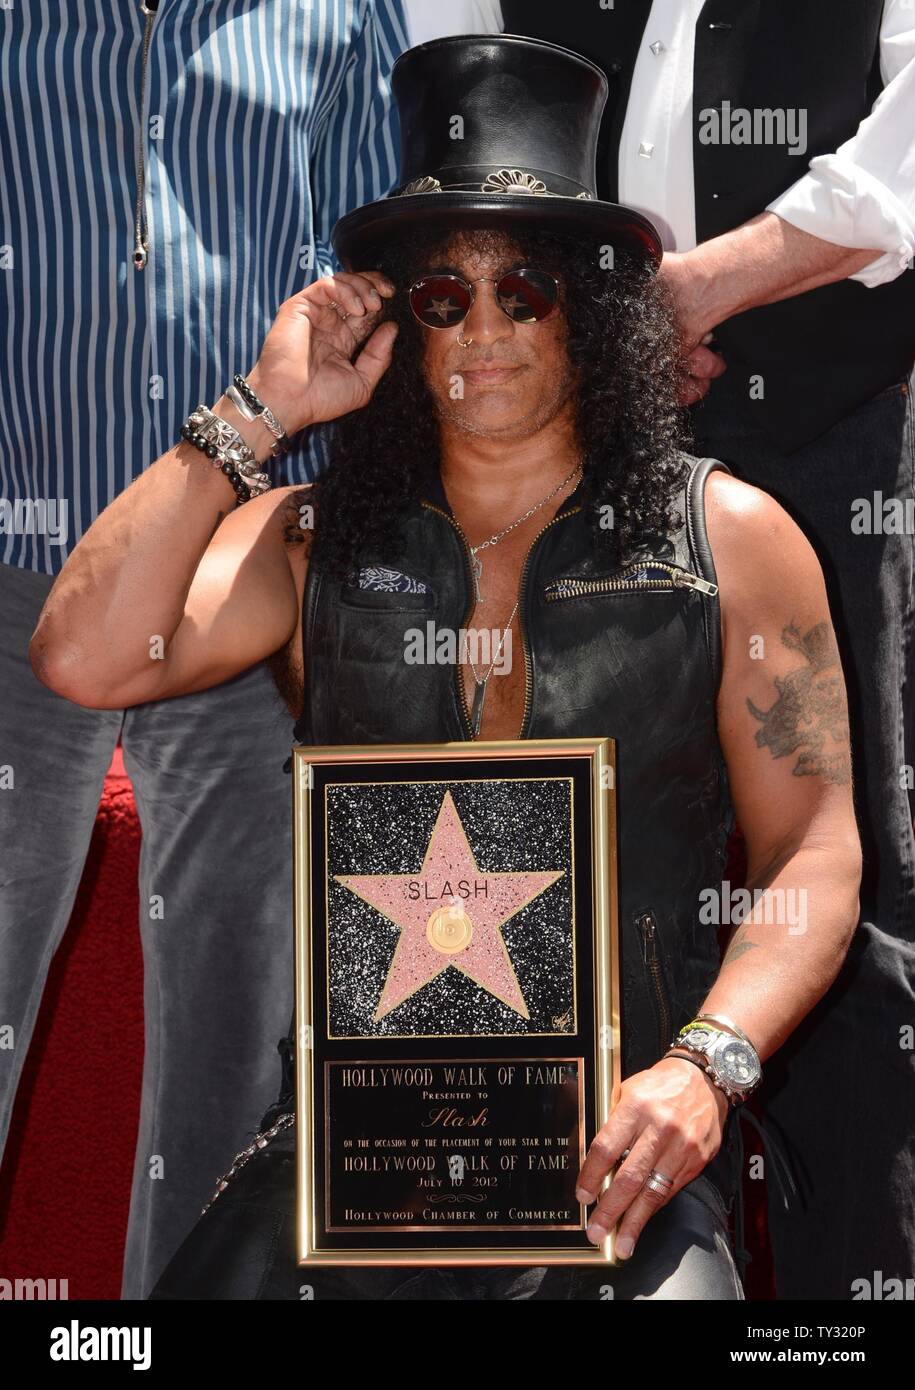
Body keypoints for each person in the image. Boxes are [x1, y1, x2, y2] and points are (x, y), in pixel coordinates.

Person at [30, 35, 862, 1301]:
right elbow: (83, 656)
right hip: (350, 1150)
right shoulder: (309, 541)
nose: (485, 330)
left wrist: (707, 1066)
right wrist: (260, 411)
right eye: (440, 295)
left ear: (590, 308)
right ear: (396, 319)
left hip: (619, 1152)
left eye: (524, 290)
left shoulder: (730, 539)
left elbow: (817, 849)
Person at [500, 0, 915, 1303]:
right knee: (547, 862)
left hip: (826, 435)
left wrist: (706, 284)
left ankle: (851, 1290)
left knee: (856, 895)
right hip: (561, 435)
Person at [0, 0, 413, 1301]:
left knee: (236, 1040)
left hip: (244, 584)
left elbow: (375, 273)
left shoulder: (342, 8)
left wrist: (333, 557)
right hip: (13, 562)